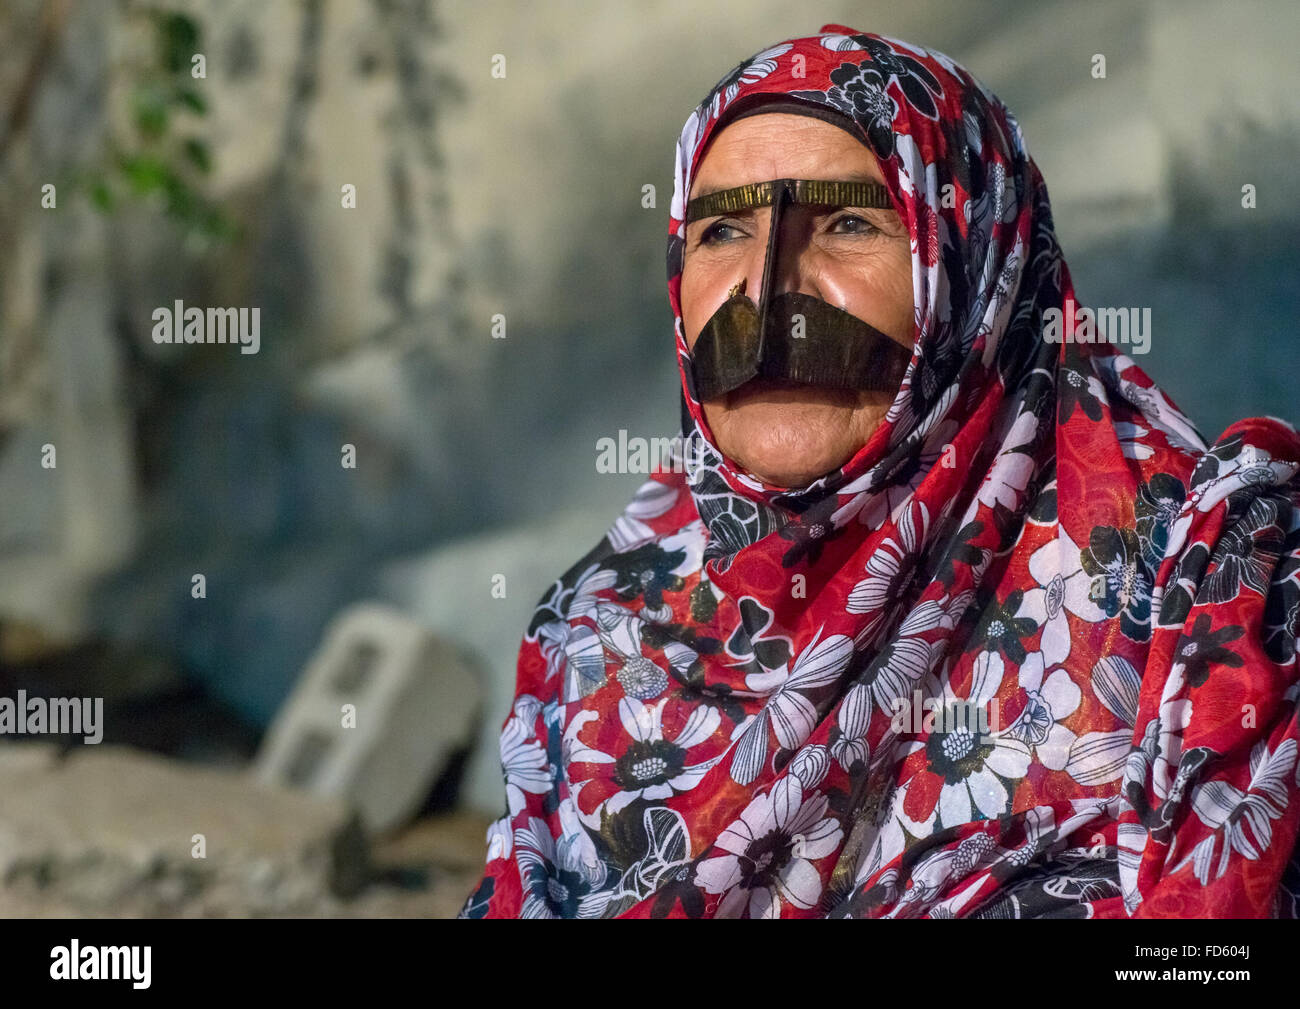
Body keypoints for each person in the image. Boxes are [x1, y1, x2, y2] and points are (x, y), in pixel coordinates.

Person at [459, 25, 1300, 918]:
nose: (764, 292)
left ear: (977, 265)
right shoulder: (596, 629)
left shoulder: (1210, 586)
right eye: (722, 230)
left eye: (849, 221)